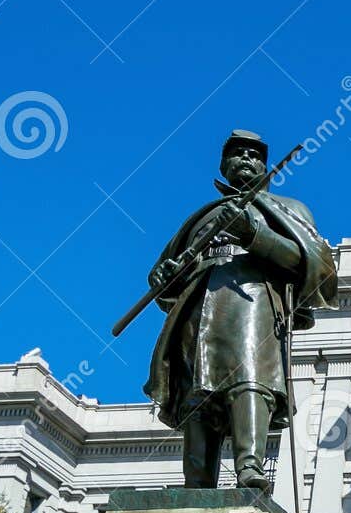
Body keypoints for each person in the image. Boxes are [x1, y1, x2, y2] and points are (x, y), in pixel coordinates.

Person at [143, 130, 336, 491]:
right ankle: (197, 482)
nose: (246, 159)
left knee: (249, 380)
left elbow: (313, 266)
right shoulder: (200, 217)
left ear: (266, 165)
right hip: (197, 309)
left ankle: (250, 466)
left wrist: (252, 235)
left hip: (251, 300)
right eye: (237, 153)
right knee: (198, 393)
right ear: (224, 164)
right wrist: (164, 276)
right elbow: (166, 284)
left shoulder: (288, 209)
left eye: (254, 154)